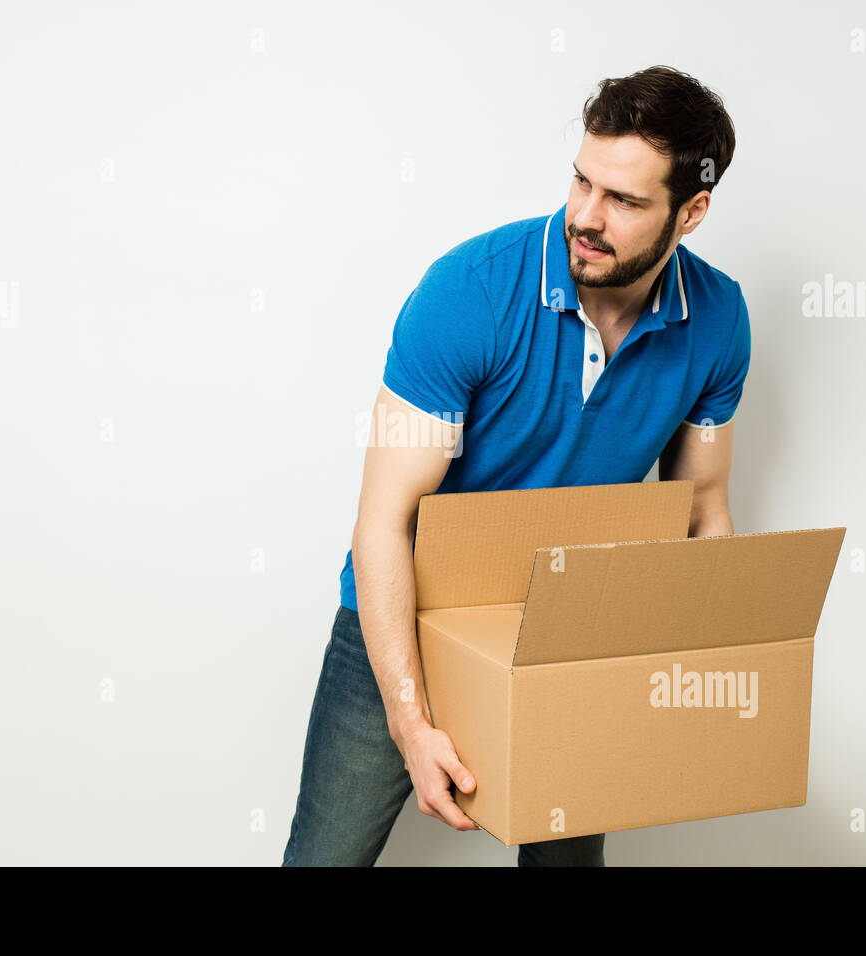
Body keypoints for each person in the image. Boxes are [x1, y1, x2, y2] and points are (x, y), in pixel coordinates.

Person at [283, 65, 750, 866]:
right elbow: (383, 520)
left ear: (692, 212)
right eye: (581, 181)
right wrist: (411, 719)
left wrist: (691, 682)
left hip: (568, 627)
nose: (587, 217)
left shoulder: (717, 320)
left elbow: (701, 513)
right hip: (402, 616)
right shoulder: (468, 293)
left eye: (626, 201)